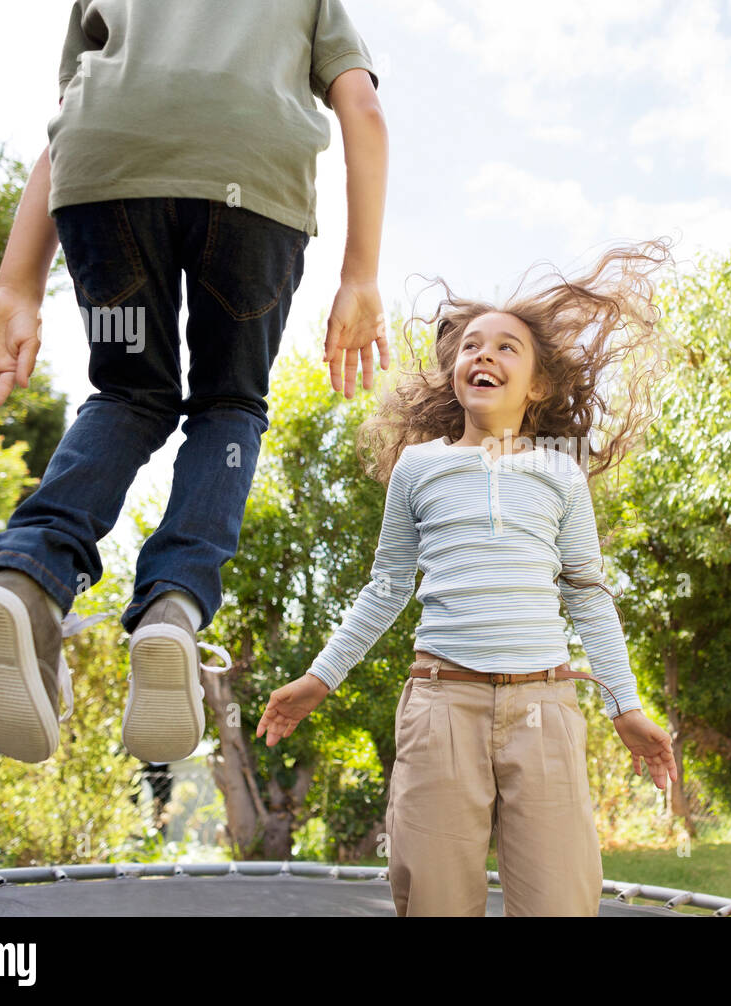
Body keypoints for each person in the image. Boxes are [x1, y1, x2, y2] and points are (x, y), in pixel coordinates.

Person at [0, 0, 390, 765]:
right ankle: (174, 607)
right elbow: (365, 110)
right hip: (252, 203)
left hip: (107, 195)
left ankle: (26, 575)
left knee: (127, 390)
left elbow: (70, 121)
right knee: (229, 403)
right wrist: (361, 274)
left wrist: (16, 285)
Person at [255, 240, 681, 916]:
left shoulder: (560, 474)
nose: (483, 354)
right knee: (434, 903)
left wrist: (624, 705)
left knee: (561, 903)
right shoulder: (418, 469)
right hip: (441, 705)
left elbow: (589, 597)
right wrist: (319, 677)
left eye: (507, 347)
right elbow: (388, 586)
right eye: (471, 346)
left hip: (544, 710)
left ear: (537, 384)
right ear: (455, 374)